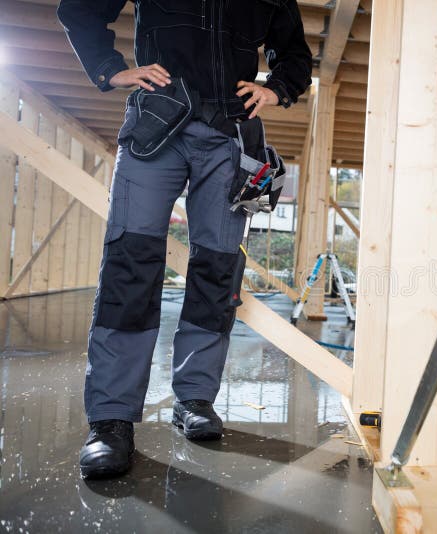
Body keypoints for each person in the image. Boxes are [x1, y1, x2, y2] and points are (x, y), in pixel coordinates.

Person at [57, 0, 312, 479]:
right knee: (131, 263)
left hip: (232, 136)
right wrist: (111, 70)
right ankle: (110, 419)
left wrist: (277, 89)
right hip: (157, 124)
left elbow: (294, 54)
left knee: (217, 269)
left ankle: (194, 398)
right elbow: (80, 9)